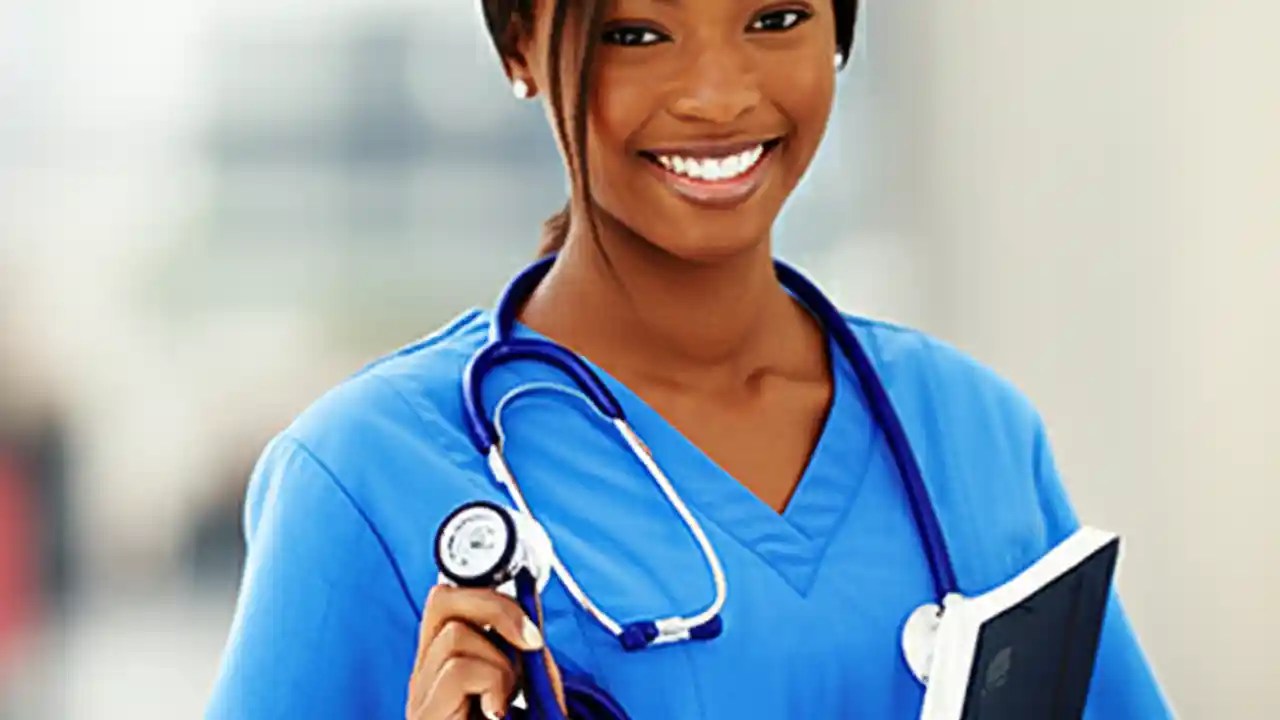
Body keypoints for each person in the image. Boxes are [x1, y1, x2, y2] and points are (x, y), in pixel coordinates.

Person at [207, 0, 1171, 717]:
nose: (718, 96)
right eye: (637, 32)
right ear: (520, 46)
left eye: (777, 17)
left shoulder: (972, 431)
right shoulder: (368, 475)